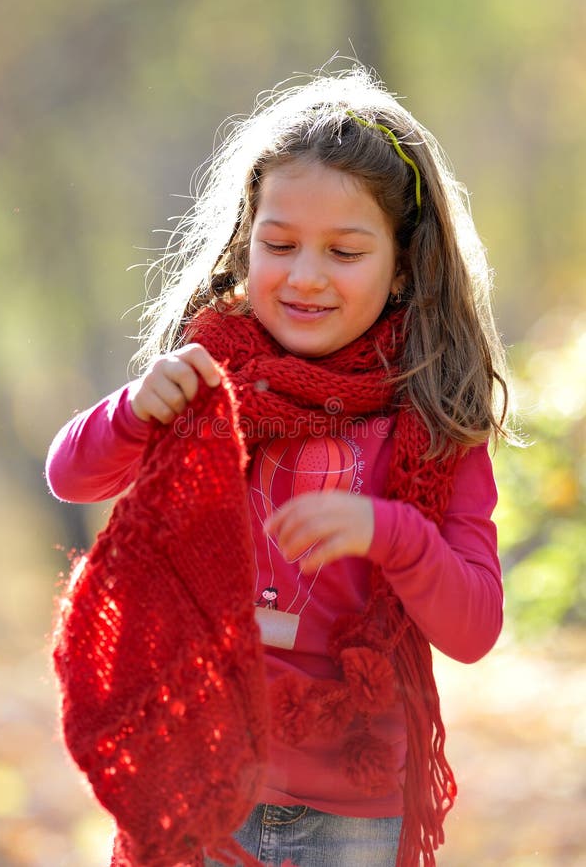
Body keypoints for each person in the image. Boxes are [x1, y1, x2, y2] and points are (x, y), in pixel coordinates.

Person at [46, 65, 510, 867]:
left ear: (401, 267)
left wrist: (387, 531)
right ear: (243, 240)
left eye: (345, 251)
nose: (304, 275)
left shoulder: (432, 426)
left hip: (351, 810)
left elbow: (472, 629)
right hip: (200, 776)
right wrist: (133, 409)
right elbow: (73, 477)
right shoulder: (205, 381)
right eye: (280, 243)